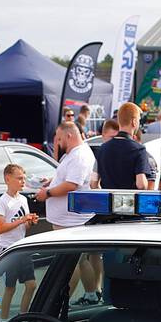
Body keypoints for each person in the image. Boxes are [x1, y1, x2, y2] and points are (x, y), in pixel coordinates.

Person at [39, 122, 101, 303]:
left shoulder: (79, 155)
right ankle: (90, 294)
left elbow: (72, 184)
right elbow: (69, 178)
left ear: (69, 136)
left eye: (59, 138)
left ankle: (60, 300)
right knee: (77, 260)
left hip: (70, 220)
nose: (57, 142)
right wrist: (51, 181)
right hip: (67, 218)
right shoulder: (74, 154)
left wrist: (47, 193)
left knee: (71, 261)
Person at [0, 163, 40, 321]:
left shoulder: (23, 200)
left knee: (31, 284)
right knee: (10, 287)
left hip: (22, 246)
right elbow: (0, 228)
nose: (23, 181)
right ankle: (4, 318)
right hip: (8, 248)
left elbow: (24, 226)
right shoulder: (2, 201)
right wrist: (21, 220)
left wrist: (30, 221)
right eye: (19, 178)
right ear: (8, 179)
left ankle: (23, 315)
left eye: (24, 178)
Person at [92, 102, 153, 190]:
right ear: (134, 122)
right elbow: (141, 184)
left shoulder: (102, 149)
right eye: (139, 120)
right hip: (130, 201)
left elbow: (93, 183)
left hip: (108, 201)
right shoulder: (139, 149)